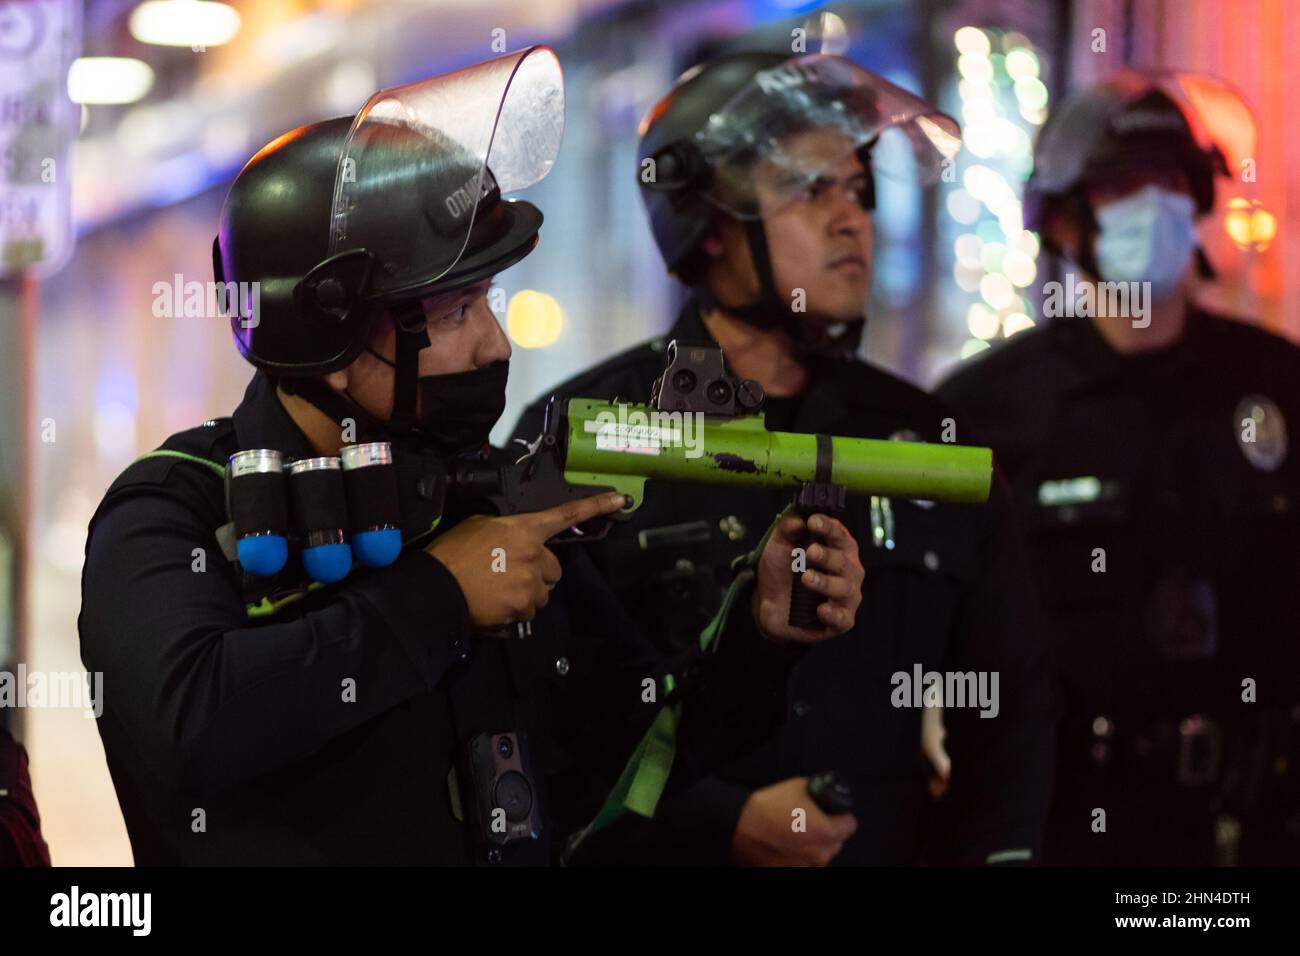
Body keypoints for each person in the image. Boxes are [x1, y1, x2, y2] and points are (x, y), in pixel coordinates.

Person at [77, 48, 864, 866]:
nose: (495, 343)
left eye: (488, 301)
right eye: (455, 313)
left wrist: (758, 640)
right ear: (332, 342)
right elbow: (188, 726)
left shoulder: (487, 499)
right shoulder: (177, 510)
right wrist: (440, 596)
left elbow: (639, 763)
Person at [511, 51, 1055, 866]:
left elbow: (1009, 717)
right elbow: (535, 721)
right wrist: (711, 819)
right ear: (711, 226)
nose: (853, 219)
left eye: (859, 189)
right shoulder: (589, 433)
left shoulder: (924, 442)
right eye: (810, 188)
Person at [936, 69, 1300, 865]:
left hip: (1254, 827)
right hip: (1067, 826)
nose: (1153, 207)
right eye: (1122, 187)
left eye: (1168, 182)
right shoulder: (987, 410)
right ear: (1064, 222)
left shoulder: (1278, 386)